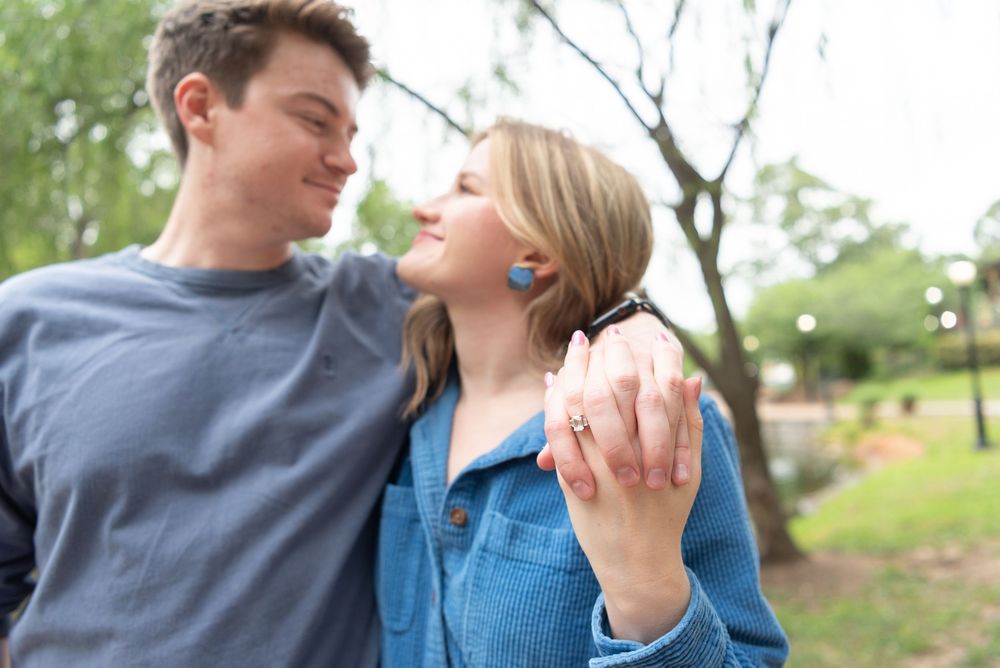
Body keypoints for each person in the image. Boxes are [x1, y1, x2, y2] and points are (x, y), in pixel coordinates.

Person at [0, 1, 686, 665]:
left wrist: (630, 327)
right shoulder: (28, 322)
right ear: (200, 106)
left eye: (352, 134)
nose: (347, 160)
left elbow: (545, 280)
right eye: (314, 121)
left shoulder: (389, 308)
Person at [375, 120, 789, 667]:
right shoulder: (410, 411)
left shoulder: (659, 421)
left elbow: (750, 655)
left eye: (466, 189)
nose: (424, 208)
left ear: (538, 253)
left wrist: (646, 592)